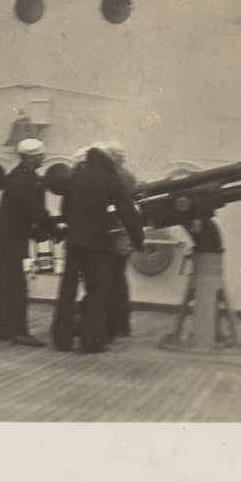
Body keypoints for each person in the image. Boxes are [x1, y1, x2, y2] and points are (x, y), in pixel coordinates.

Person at [51, 144, 144, 353]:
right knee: (96, 292)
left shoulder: (76, 176)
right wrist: (138, 240)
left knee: (67, 290)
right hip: (97, 245)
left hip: (74, 243)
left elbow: (64, 209)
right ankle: (91, 341)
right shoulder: (109, 177)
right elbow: (127, 210)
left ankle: (61, 339)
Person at [0, 138, 55, 347]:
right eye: (41, 155)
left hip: (4, 237)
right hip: (13, 238)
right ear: (32, 157)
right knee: (16, 285)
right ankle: (19, 332)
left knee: (1, 284)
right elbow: (34, 211)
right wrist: (53, 228)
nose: (44, 158)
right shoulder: (28, 179)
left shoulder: (17, 174)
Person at [101, 140, 138, 339]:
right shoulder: (129, 176)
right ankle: (122, 325)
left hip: (113, 234)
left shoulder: (112, 177)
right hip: (125, 234)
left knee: (109, 279)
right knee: (119, 279)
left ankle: (112, 324)